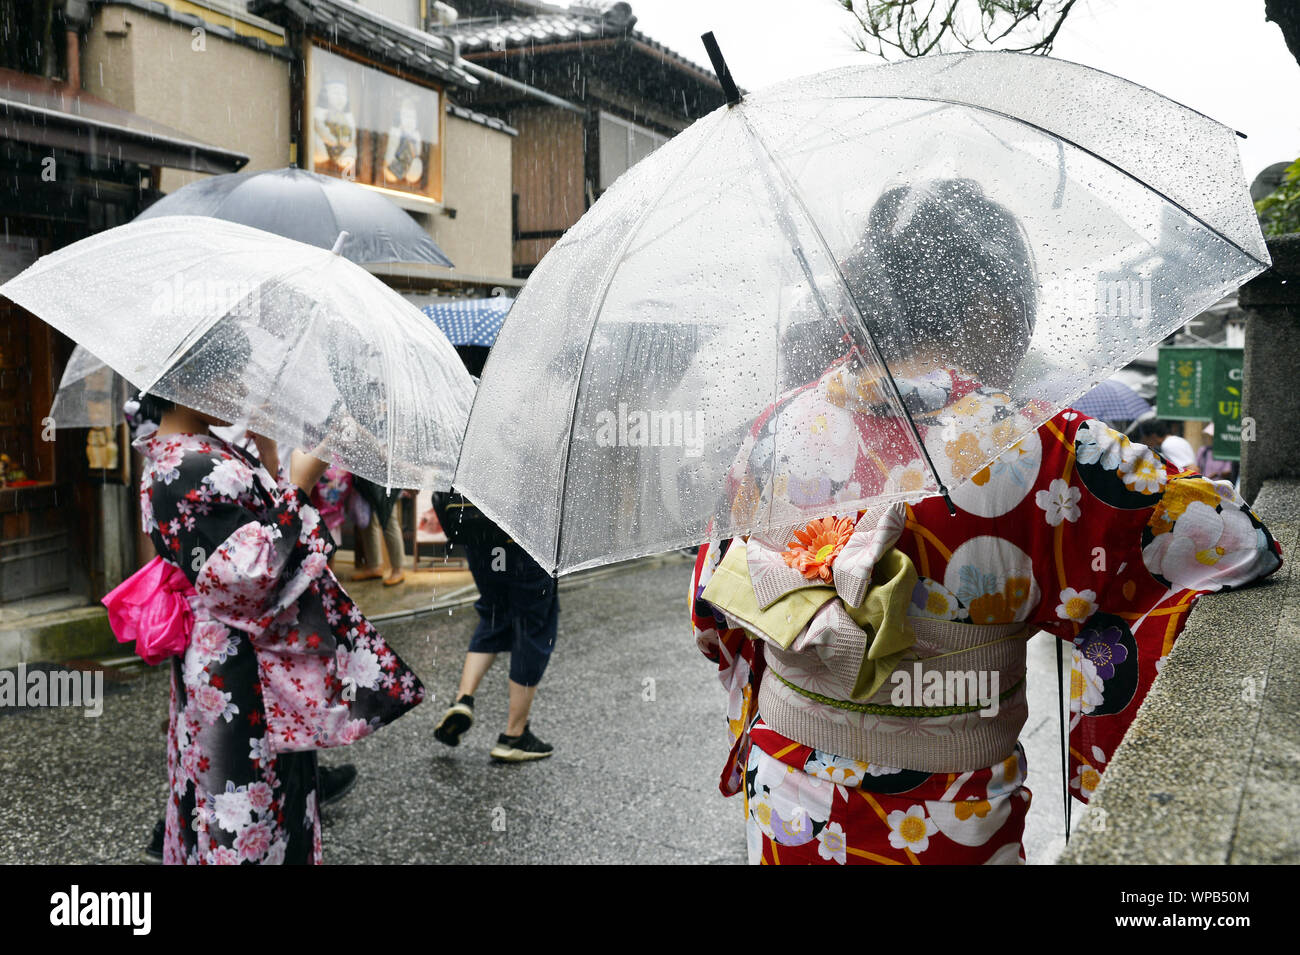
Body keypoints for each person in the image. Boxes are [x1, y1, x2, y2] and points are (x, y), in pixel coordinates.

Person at [689, 179, 1283, 865]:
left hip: (785, 801)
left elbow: (718, 606)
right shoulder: (1039, 447)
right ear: (993, 306)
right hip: (947, 817)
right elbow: (1240, 544)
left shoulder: (772, 428)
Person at [132, 391, 424, 864]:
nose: (239, 391)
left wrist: (269, 461)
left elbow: (256, 535)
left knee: (265, 795)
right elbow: (251, 579)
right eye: (229, 376)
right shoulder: (184, 465)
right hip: (236, 660)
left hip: (243, 653)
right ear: (189, 381)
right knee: (243, 803)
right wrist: (301, 485)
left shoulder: (193, 451)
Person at [432, 343, 559, 762]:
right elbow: (545, 466)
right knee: (533, 629)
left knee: (493, 612)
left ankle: (464, 697)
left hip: (477, 539)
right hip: (522, 539)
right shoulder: (524, 411)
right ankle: (513, 735)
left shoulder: (458, 411)